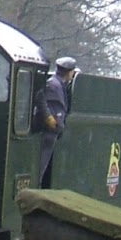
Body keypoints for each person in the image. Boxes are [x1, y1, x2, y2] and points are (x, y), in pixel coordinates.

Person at [37, 57, 78, 188]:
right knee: (40, 168)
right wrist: (52, 121)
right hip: (48, 133)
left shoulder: (59, 84)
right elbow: (45, 103)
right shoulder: (53, 85)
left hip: (52, 133)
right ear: (69, 72)